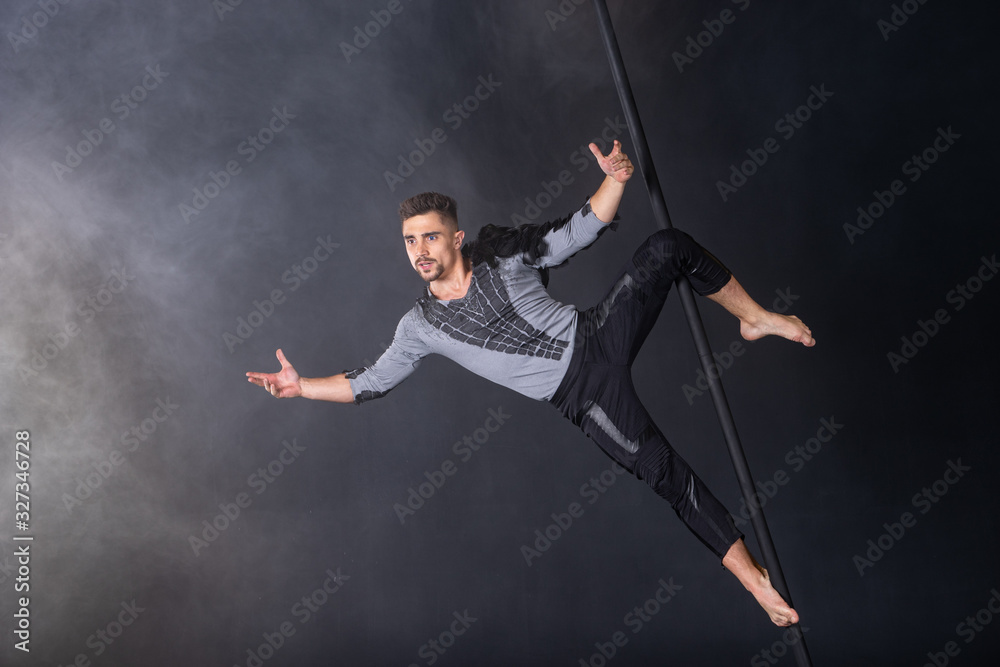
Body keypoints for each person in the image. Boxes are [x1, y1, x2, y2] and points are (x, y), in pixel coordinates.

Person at [246, 140, 814, 627]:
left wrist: (613, 181)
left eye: (430, 238)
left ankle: (756, 317)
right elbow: (369, 382)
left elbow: (577, 231)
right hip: (584, 398)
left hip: (599, 333)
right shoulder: (418, 326)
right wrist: (302, 388)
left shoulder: (499, 251)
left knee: (667, 246)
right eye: (409, 242)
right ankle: (755, 582)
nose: (419, 252)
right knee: (667, 477)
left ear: (456, 237)